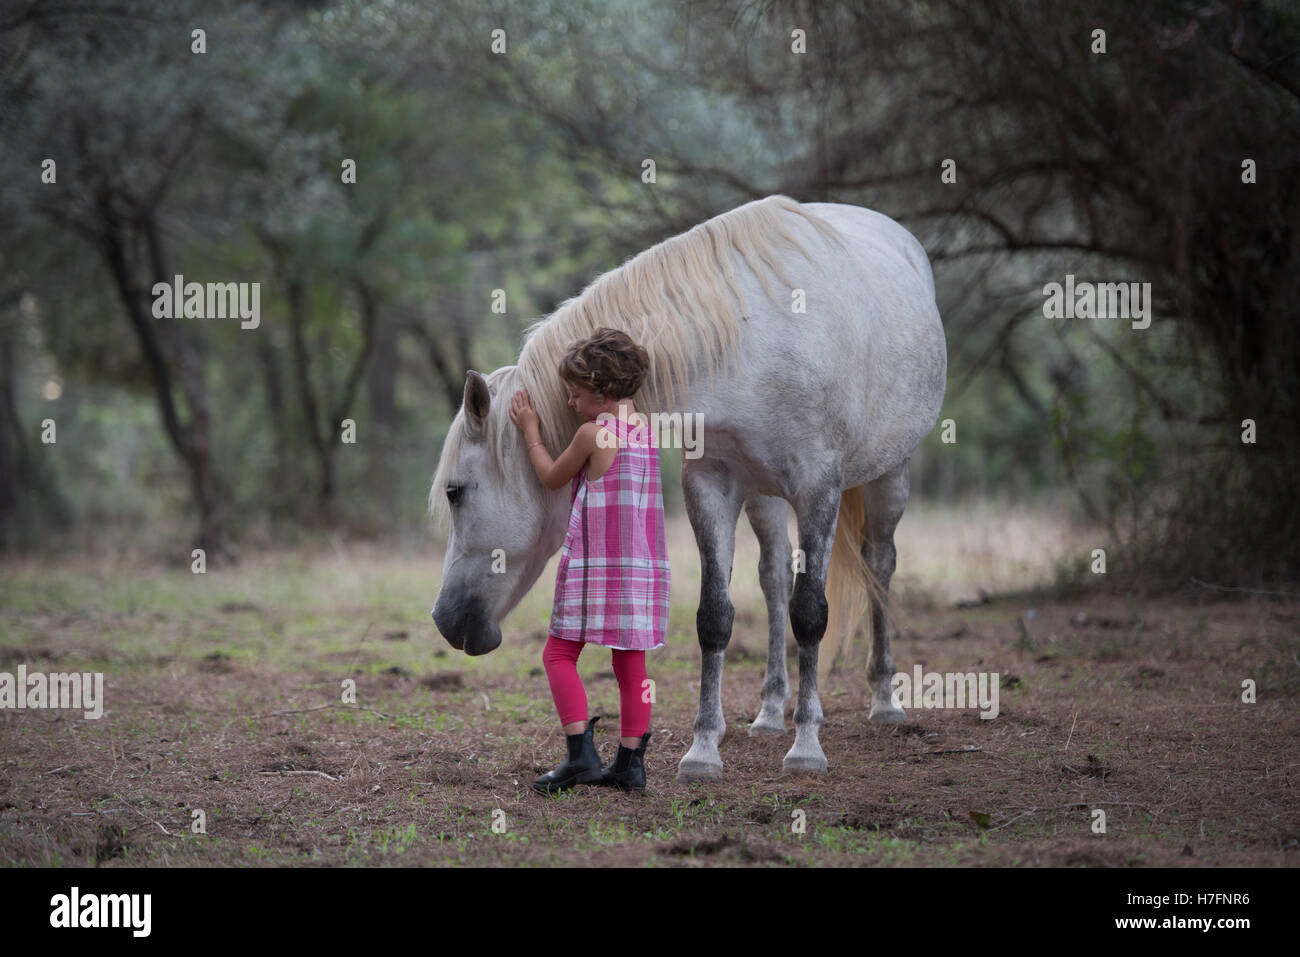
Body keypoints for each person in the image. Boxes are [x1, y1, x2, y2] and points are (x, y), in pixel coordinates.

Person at [508, 327, 670, 793]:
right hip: (641, 568)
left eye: (577, 394)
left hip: (595, 566)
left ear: (604, 392)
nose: (570, 403)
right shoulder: (644, 431)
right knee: (631, 666)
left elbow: (552, 477)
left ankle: (580, 755)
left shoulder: (592, 434)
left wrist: (531, 431)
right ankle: (631, 764)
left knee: (558, 653)